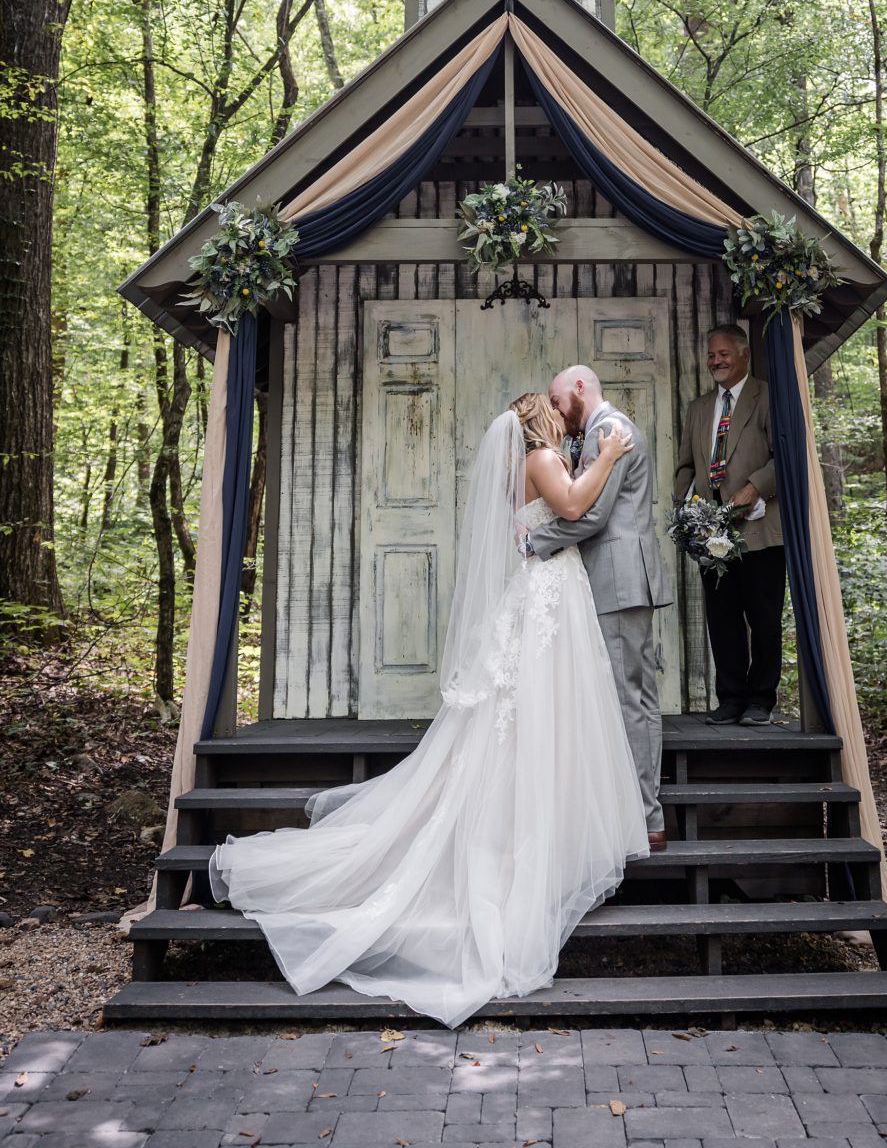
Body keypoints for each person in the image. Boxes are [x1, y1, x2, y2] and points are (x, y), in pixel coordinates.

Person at [208, 395, 649, 1028]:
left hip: (549, 596)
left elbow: (539, 527)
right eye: (552, 411)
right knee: (531, 723)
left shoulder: (519, 466)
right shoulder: (545, 457)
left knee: (532, 723)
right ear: (538, 425)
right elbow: (576, 506)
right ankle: (520, 852)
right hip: (550, 601)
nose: (561, 416)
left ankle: (539, 839)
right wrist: (607, 455)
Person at [524, 366, 674, 851]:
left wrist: (535, 541)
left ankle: (648, 819)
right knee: (626, 698)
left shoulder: (610, 431)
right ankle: (629, 811)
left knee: (631, 700)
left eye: (557, 396)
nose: (554, 407)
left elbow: (591, 516)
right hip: (612, 580)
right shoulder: (593, 434)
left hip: (620, 580)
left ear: (580, 389)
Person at [674, 323, 785, 727]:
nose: (715, 362)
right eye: (710, 355)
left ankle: (761, 700)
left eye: (723, 354)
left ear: (744, 355)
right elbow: (685, 467)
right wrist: (685, 512)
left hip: (761, 529)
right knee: (722, 620)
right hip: (712, 535)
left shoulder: (769, 398)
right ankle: (732, 699)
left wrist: (756, 487)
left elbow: (786, 456)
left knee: (764, 617)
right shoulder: (699, 408)